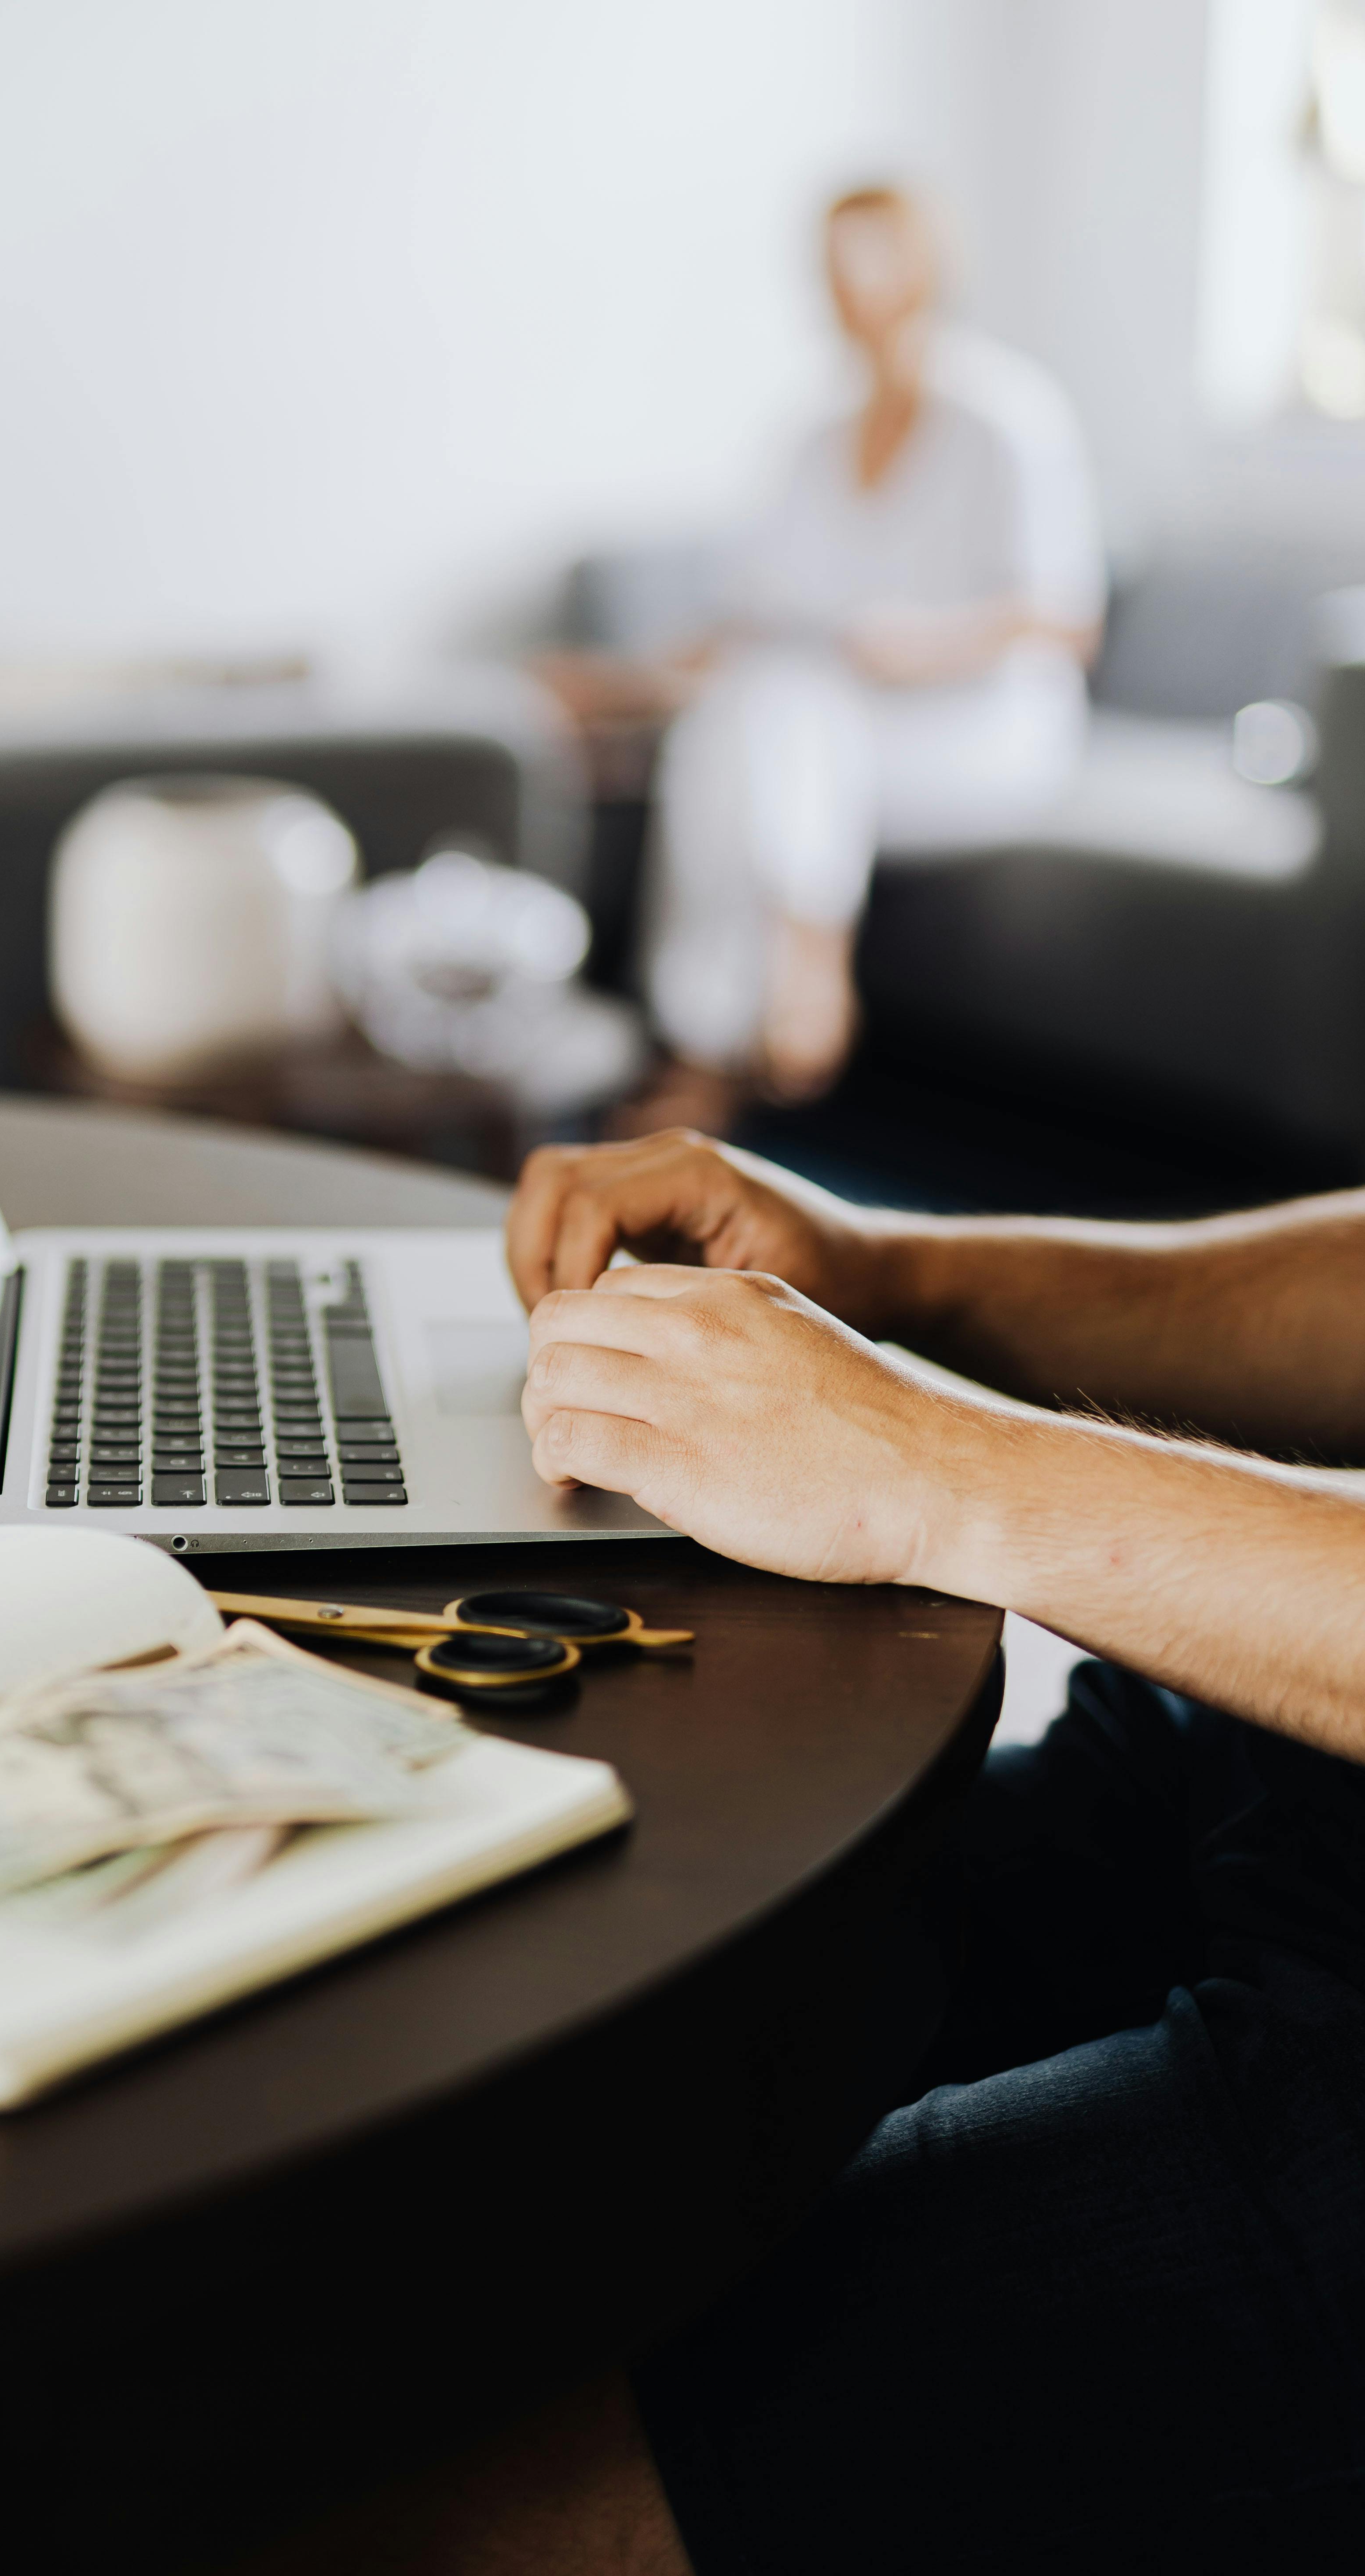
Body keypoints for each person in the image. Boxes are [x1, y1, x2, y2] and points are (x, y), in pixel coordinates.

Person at [229, 1127, 1365, 2573]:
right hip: (1290, 1742)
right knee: (482, 2088)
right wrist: (900, 1275)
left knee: (449, 2511)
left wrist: (935, 1465)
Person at [549, 187, 1104, 1126]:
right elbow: (749, 621)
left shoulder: (1006, 415)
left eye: (872, 256)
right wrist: (630, 682)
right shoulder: (809, 436)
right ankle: (712, 1037)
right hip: (828, 719)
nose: (848, 284)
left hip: (984, 722)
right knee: (737, 721)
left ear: (927, 264)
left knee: (782, 717)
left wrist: (929, 644)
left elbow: (1064, 623)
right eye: (831, 261)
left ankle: (792, 982)